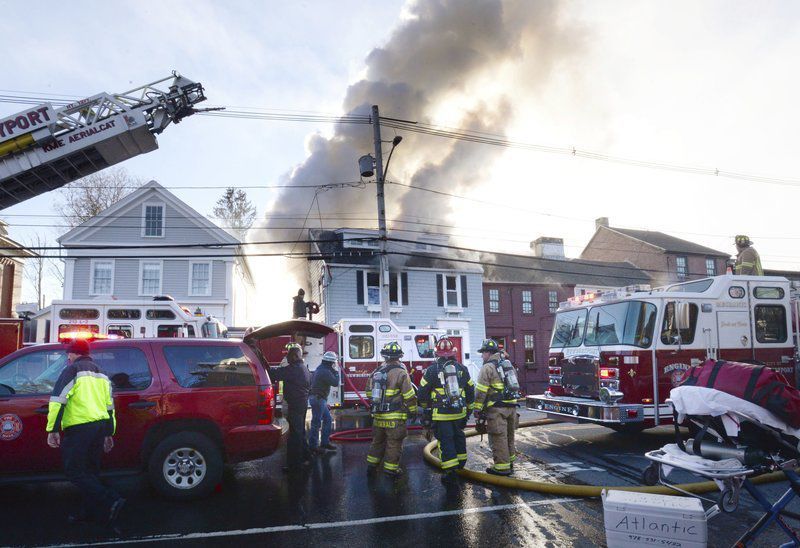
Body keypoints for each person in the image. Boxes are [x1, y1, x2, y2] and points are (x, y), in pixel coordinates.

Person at [46, 337, 125, 525]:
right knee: (90, 472)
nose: (68, 358)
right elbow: (109, 407)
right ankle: (89, 513)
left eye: (68, 354)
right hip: (98, 428)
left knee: (74, 471)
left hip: (79, 428)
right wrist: (109, 432)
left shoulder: (72, 370)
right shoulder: (102, 373)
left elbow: (58, 401)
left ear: (74, 354)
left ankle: (111, 499)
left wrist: (53, 429)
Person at [417, 338, 474, 485]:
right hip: (460, 412)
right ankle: (461, 464)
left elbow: (422, 392)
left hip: (441, 414)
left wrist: (425, 408)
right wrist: (469, 409)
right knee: (459, 436)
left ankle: (450, 472)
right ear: (453, 352)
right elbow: (470, 390)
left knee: (445, 440)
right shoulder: (462, 368)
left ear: (437, 353)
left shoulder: (431, 370)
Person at [365, 341, 417, 477]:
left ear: (384, 356)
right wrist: (413, 410)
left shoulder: (376, 372)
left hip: (378, 416)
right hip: (395, 417)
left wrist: (376, 403)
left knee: (377, 441)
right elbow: (409, 395)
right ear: (399, 357)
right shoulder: (401, 373)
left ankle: (372, 466)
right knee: (394, 443)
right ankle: (390, 469)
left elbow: (368, 392)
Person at [473, 339, 521, 476]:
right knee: (509, 437)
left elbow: (481, 391)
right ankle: (510, 463)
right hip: (512, 407)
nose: (482, 356)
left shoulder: (487, 367)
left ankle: (501, 468)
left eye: (483, 353)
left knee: (498, 438)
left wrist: (477, 409)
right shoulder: (507, 364)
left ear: (488, 353)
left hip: (497, 410)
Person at [269, 342, 312, 472]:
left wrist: (262, 365)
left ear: (294, 356)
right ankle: (306, 457)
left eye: (288, 356)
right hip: (302, 404)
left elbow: (275, 374)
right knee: (301, 433)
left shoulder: (293, 369)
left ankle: (294, 466)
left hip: (296, 405)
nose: (287, 358)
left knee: (294, 436)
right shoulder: (303, 368)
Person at [308, 351, 340, 455]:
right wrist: (336, 371)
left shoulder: (322, 368)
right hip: (318, 399)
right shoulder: (325, 371)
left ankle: (325, 442)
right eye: (333, 362)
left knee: (328, 419)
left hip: (319, 399)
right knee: (316, 423)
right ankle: (314, 446)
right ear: (331, 362)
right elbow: (335, 382)